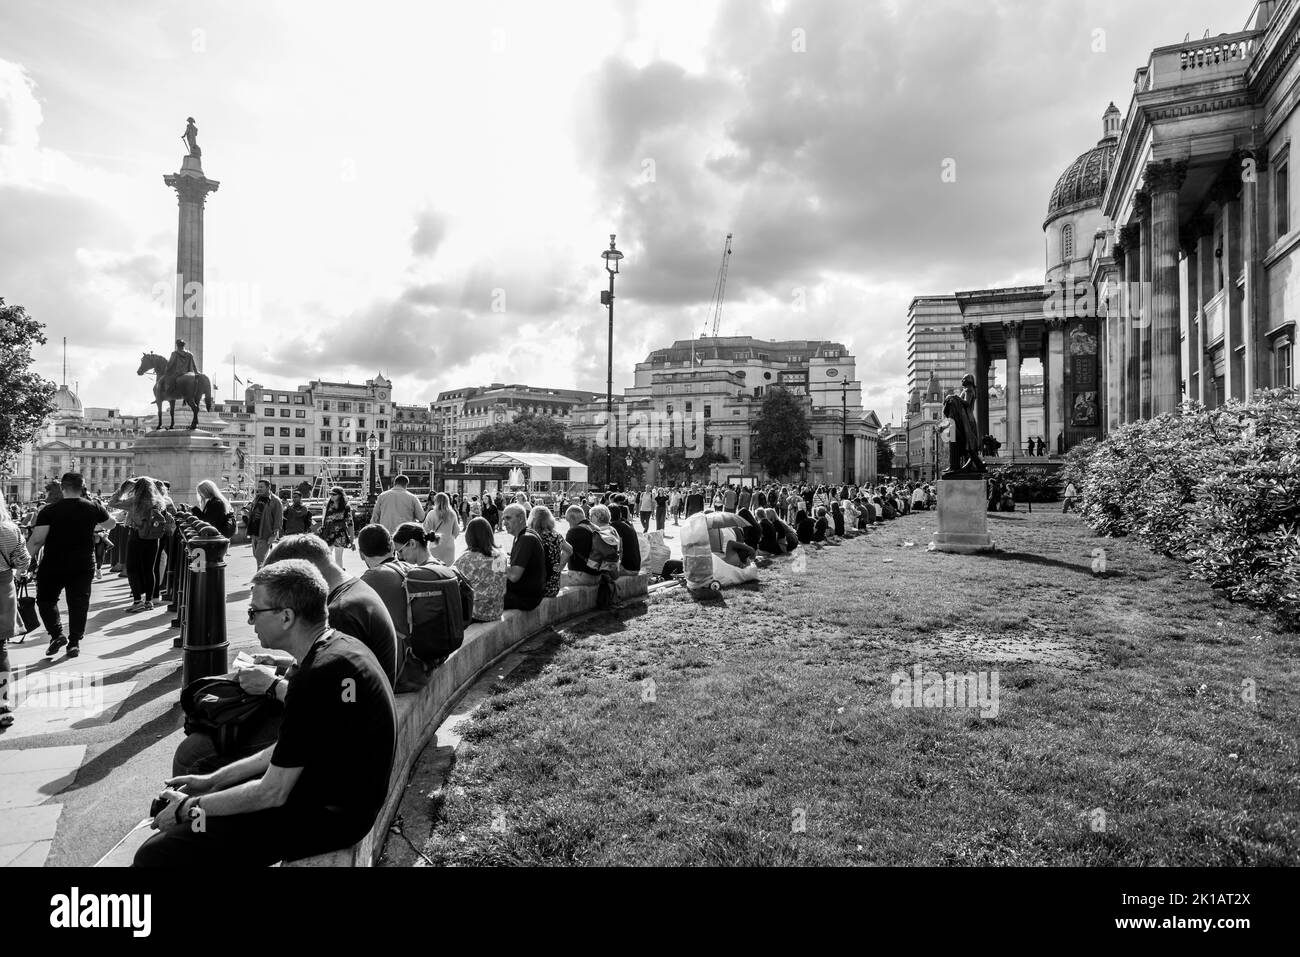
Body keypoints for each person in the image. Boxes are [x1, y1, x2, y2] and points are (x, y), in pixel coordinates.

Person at [134, 560, 396, 867]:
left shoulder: (316, 676)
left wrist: (189, 808)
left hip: (330, 818)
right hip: (334, 797)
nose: (250, 622)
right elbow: (287, 749)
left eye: (254, 612)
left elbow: (271, 792)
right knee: (205, 789)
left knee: (156, 853)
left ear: (286, 616)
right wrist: (213, 781)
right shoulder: (335, 648)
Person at [26, 473, 116, 658]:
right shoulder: (93, 507)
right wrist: (96, 525)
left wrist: (23, 564)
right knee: (79, 603)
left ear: (63, 488)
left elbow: (37, 540)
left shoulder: (49, 510)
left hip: (54, 562)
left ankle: (56, 634)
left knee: (46, 599)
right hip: (83, 563)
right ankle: (74, 642)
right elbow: (111, 523)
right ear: (82, 486)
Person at [0, 488, 32, 730]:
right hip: (1, 590)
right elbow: (23, 562)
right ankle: (2, 704)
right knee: (0, 650)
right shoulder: (9, 530)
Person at [453, 518, 506, 622]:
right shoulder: (501, 555)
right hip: (497, 611)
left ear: (469, 536)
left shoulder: (466, 559)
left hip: (476, 614)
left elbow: (451, 578)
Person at [500, 503, 546, 613]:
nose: (504, 523)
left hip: (526, 598)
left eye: (508, 518)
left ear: (520, 518)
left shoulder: (526, 538)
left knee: (479, 600)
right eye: (503, 519)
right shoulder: (523, 535)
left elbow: (514, 575)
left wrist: (499, 561)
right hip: (524, 594)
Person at [528, 505, 568, 600]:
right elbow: (569, 550)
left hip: (538, 589)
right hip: (554, 588)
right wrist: (560, 566)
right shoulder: (556, 536)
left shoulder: (533, 536)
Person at [247, 480, 284, 568]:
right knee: (257, 556)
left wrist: (274, 535)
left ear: (268, 487)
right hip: (254, 532)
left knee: (260, 557)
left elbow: (278, 519)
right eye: (258, 486)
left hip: (265, 534)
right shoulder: (257, 498)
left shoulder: (276, 501)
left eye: (261, 487)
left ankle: (260, 578)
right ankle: (267, 572)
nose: (259, 489)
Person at [318, 486, 356, 568]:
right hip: (328, 532)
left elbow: (350, 523)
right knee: (327, 557)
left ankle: (340, 577)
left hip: (340, 533)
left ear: (340, 495)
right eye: (330, 494)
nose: (331, 496)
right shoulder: (327, 505)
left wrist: (352, 539)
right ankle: (329, 576)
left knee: (338, 558)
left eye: (333, 494)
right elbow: (324, 519)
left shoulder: (346, 507)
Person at [422, 492, 460, 566]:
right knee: (448, 571)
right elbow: (456, 531)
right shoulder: (452, 514)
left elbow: (425, 530)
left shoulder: (432, 513)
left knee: (435, 570)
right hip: (449, 545)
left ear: (436, 501)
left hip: (435, 545)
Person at [609, 504, 641, 575]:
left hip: (627, 569)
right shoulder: (628, 524)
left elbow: (619, 550)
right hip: (635, 567)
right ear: (620, 514)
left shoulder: (614, 527)